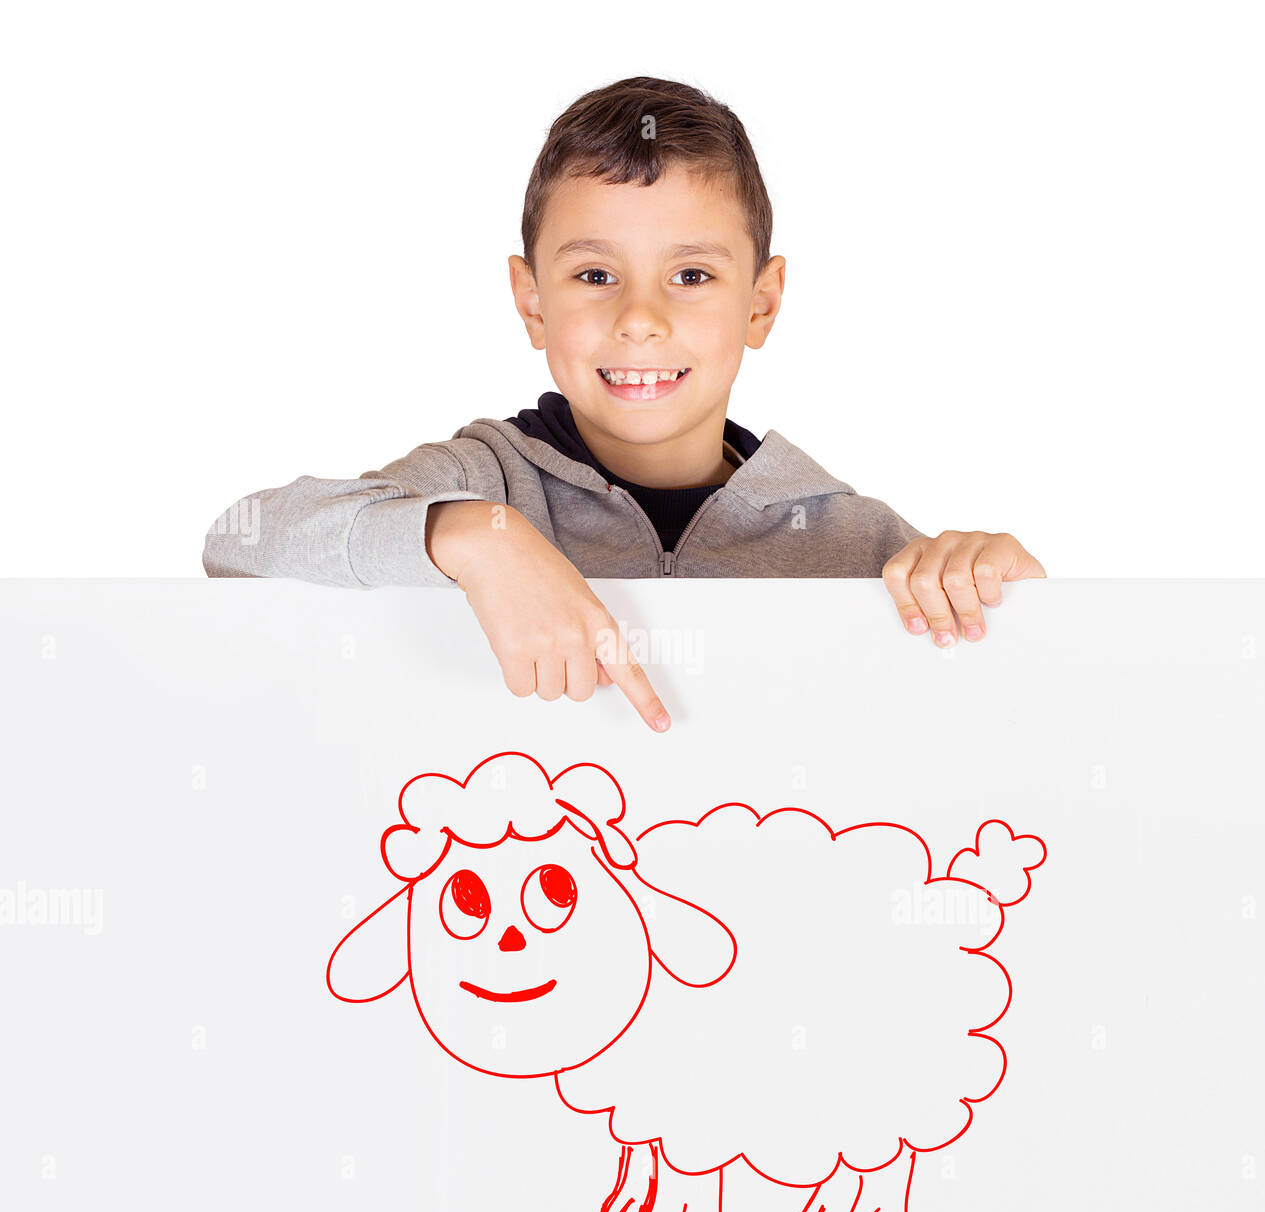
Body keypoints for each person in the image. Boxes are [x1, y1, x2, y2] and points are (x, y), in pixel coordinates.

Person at [204, 75, 1045, 732]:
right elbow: (238, 542)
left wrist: (1013, 601)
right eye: (595, 275)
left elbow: (997, 722)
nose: (640, 320)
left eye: (691, 276)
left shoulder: (848, 542)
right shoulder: (481, 481)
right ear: (532, 302)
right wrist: (475, 538)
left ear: (761, 303)